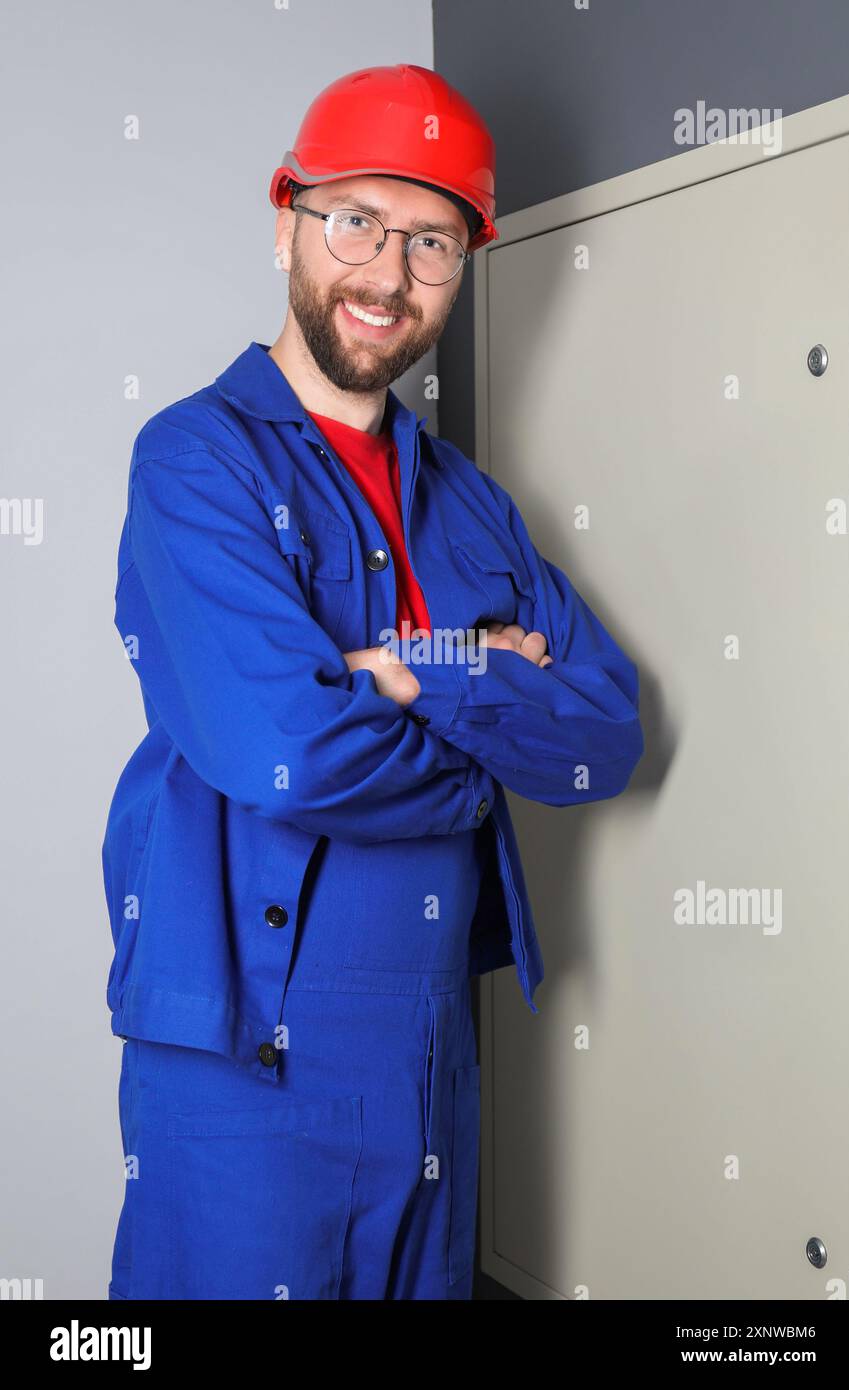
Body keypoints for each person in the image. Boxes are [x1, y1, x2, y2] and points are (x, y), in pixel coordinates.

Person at [103, 62, 644, 1301]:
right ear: (288, 213)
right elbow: (277, 744)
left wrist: (410, 668)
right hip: (244, 1047)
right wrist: (485, 712)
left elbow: (603, 731)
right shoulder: (194, 460)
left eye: (433, 244)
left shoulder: (468, 502)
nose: (388, 276)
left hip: (427, 1041)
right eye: (356, 221)